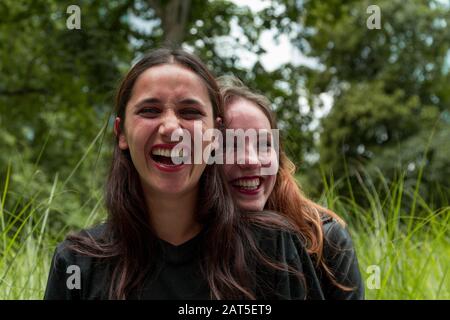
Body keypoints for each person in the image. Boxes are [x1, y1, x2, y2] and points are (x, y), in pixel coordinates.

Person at [44, 48, 324, 300]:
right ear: (121, 133)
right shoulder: (76, 264)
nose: (171, 128)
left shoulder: (272, 247)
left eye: (189, 112)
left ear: (215, 136)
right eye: (150, 110)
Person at [218, 75, 365, 299]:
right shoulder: (180, 240)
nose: (251, 161)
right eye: (230, 144)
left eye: (264, 144)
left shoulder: (325, 238)